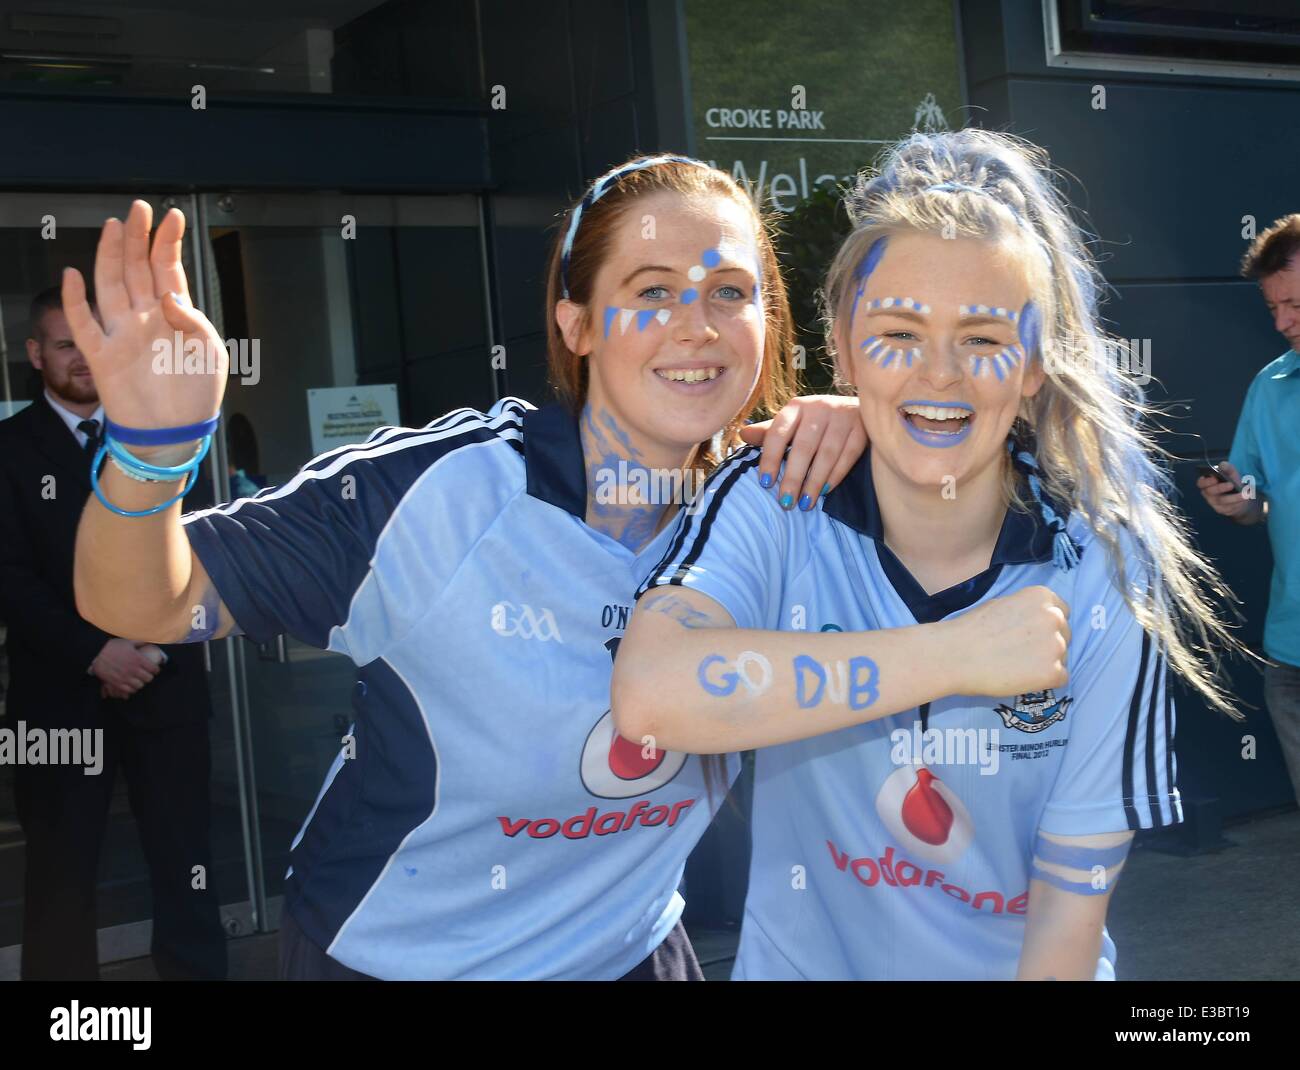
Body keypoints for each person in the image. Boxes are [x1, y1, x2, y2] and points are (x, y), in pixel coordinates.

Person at [64, 154, 1027, 980]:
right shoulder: (438, 497)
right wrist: (151, 454)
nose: (697, 325)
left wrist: (894, 431)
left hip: (631, 952)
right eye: (651, 292)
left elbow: (1036, 511)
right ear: (575, 323)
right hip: (398, 963)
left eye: (730, 292)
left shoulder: (786, 503)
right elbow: (149, 601)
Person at [613, 130, 1245, 980]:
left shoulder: (1102, 561)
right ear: (839, 346)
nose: (938, 374)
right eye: (898, 332)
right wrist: (954, 655)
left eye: (984, 338)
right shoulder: (777, 499)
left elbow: (1068, 911)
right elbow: (652, 697)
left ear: (1031, 364)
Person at [0, 287, 226, 980]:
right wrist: (95, 652)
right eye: (65, 344)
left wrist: (158, 640)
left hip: (167, 684)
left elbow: (207, 543)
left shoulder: (164, 431)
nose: (81, 359)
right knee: (61, 878)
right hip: (59, 702)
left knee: (185, 864)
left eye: (90, 342)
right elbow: (10, 577)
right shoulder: (8, 450)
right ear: (36, 354)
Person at [1199, 214, 1300, 805]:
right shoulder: (1269, 385)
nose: (1283, 322)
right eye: (1272, 309)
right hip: (1291, 654)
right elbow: (1258, 504)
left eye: (1294, 305)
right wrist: (1235, 500)